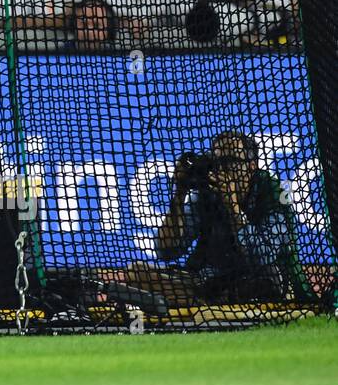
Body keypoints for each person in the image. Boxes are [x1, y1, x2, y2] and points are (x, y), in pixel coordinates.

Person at [112, 131, 312, 308]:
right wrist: (179, 195)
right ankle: (204, 302)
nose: (221, 170)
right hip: (209, 281)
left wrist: (233, 208)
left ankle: (193, 300)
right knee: (135, 273)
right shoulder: (207, 194)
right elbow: (166, 251)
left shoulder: (273, 193)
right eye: (217, 162)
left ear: (252, 166)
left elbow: (263, 256)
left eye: (230, 162)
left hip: (254, 279)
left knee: (270, 281)